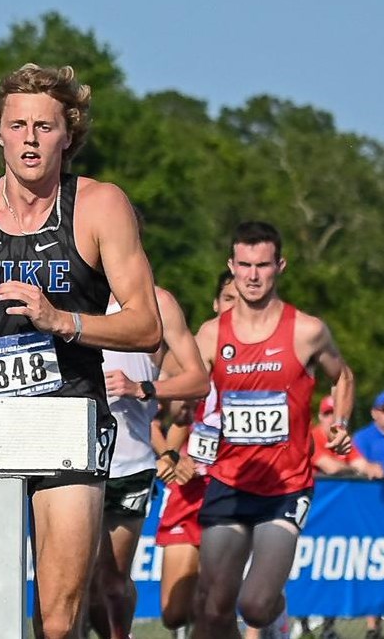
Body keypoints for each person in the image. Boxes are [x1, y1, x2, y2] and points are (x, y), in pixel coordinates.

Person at [0, 64, 164, 639]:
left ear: (69, 134)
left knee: (59, 620)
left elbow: (146, 327)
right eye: (18, 126)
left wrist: (60, 320)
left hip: (68, 415)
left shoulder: (100, 206)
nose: (31, 139)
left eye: (45, 126)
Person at [192, 221, 356, 639]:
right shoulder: (211, 334)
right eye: (243, 265)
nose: (251, 275)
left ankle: (276, 614)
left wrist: (340, 423)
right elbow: (186, 388)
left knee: (256, 605)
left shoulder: (307, 331)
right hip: (229, 482)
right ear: (231, 266)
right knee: (212, 608)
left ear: (279, 266)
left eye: (261, 265)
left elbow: (344, 378)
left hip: (285, 488)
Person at [90, 281, 208, 639]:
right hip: (74, 461)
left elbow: (197, 380)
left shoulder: (157, 302)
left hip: (128, 465)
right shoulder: (67, 290)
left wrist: (142, 387)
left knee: (112, 580)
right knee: (76, 583)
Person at [157, 271, 240, 636]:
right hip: (188, 491)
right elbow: (157, 421)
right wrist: (171, 457)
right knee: (173, 614)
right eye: (228, 299)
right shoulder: (186, 353)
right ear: (215, 303)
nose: (234, 308)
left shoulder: (263, 359)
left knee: (213, 605)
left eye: (243, 300)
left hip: (232, 490)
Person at [312, 397, 382, 479]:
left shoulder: (343, 438)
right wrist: (356, 471)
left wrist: (372, 468)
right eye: (327, 414)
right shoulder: (311, 438)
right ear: (320, 417)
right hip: (315, 490)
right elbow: (332, 468)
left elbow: (360, 463)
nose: (331, 419)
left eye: (335, 414)